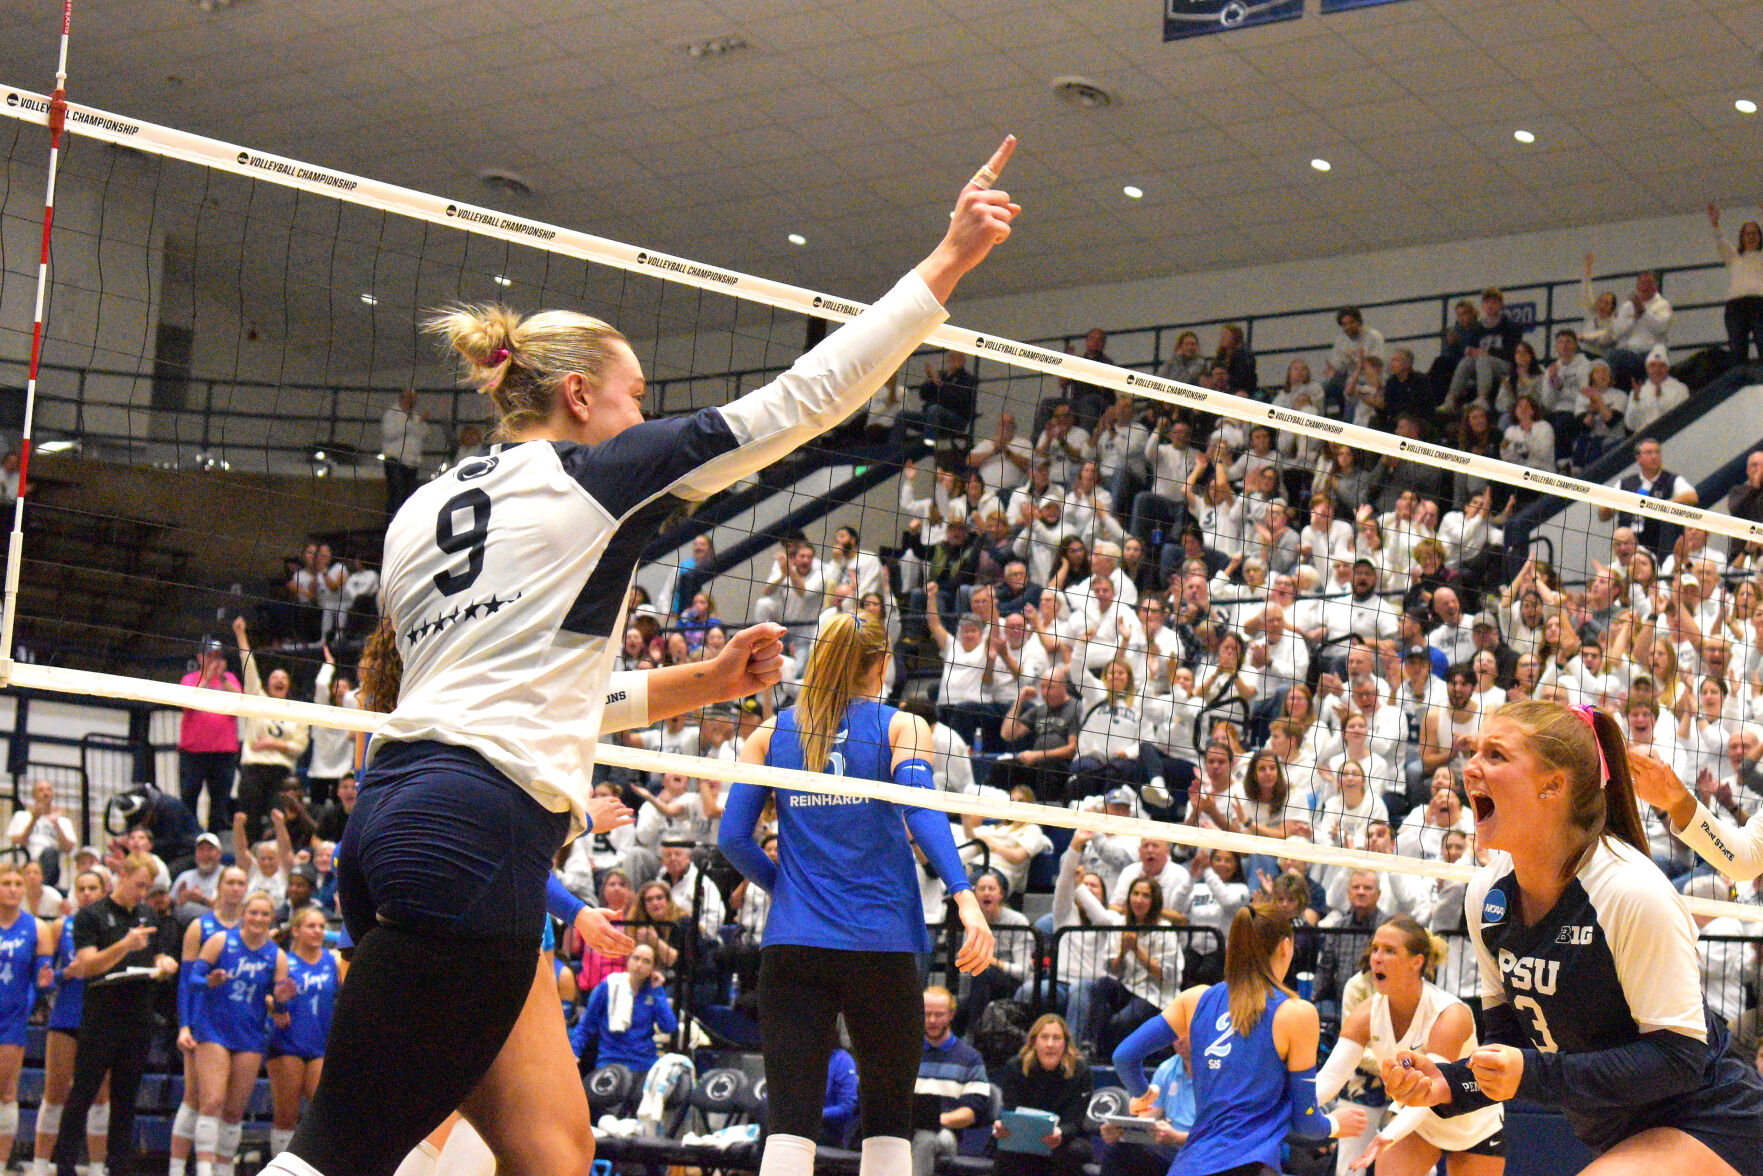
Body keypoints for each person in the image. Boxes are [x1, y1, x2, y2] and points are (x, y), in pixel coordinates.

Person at [266, 141, 1017, 1176]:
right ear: (577, 397)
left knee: (551, 1150)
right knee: (340, 1149)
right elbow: (801, 402)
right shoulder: (588, 476)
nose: (638, 415)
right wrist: (946, 261)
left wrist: (700, 684)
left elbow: (522, 693)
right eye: (631, 396)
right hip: (474, 835)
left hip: (406, 815)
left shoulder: (422, 511)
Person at [1381, 700, 1763, 1176]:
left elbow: (1680, 1059)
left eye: (1495, 755)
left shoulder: (1631, 891)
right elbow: (1510, 1046)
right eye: (1475, 750)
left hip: (1711, 1122)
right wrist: (1451, 1083)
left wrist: (1532, 1073)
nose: (1470, 767)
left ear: (1553, 785)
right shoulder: (1486, 895)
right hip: (1620, 1132)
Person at [719, 611, 994, 1176]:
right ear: (883, 665)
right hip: (882, 945)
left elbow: (732, 839)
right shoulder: (903, 727)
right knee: (889, 1120)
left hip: (794, 947)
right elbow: (920, 807)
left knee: (790, 1123)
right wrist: (963, 894)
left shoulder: (769, 733)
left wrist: (787, 891)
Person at [1111, 903, 1363, 1176]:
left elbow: (1124, 1056)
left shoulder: (1195, 998)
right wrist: (1335, 1124)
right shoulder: (1297, 1013)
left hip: (1188, 1166)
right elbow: (1306, 1123)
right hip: (1247, 1166)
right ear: (1286, 947)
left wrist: (1143, 1093)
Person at [1315, 916, 1503, 1176]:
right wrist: (1286, 1108)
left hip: (1472, 1122)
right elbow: (1329, 1079)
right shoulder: (1365, 1013)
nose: (1377, 958)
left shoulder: (1449, 1014)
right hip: (1419, 1123)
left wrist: (1389, 1134)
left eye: (1389, 951)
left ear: (1417, 962)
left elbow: (1431, 1092)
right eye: (1375, 948)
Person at [56, 855, 180, 1176]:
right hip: (101, 1017)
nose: (142, 892)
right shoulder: (91, 916)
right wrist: (124, 945)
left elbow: (157, 953)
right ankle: (65, 1165)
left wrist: (166, 964)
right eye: (138, 884)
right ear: (121, 875)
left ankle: (118, 1167)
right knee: (83, 1092)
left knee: (126, 1099)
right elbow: (86, 966)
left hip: (138, 1016)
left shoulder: (146, 913)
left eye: (147, 887)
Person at [190, 892, 290, 1176]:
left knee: (234, 1110)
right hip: (214, 1029)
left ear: (271, 919)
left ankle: (224, 1169)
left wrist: (283, 999)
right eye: (254, 912)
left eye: (264, 914)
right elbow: (193, 978)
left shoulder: (276, 955)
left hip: (250, 1033)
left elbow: (280, 1005)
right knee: (212, 1101)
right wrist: (209, 980)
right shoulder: (221, 941)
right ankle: (204, 1169)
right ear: (245, 914)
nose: (258, 919)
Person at [169, 863, 248, 1176]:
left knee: (227, 1105)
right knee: (196, 1096)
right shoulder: (200, 927)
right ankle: (177, 1168)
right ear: (220, 887)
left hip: (238, 1023)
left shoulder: (253, 925)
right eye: (229, 882)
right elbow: (186, 980)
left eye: (241, 882)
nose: (235, 888)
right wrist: (184, 1025)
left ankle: (219, 1167)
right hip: (204, 1022)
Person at [34, 870, 109, 1176]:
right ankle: (40, 1166)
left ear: (104, 891)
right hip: (66, 1016)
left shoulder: (113, 928)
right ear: (75, 893)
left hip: (102, 1019)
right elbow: (45, 982)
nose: (87, 893)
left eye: (93, 888)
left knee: (100, 1097)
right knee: (54, 1093)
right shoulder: (60, 926)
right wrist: (64, 974)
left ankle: (96, 1167)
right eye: (82, 888)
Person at [266, 908, 343, 1160]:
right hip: (288, 1042)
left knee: (324, 1113)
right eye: (311, 926)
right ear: (296, 931)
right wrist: (275, 1005)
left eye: (321, 926)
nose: (318, 931)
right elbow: (264, 995)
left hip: (320, 1043)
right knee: (286, 1115)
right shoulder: (283, 961)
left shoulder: (331, 960)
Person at [991, 1015, 1093, 1176]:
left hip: (1066, 1137)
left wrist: (1060, 1132)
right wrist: (1003, 1127)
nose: (1050, 1044)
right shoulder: (1015, 1067)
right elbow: (1011, 1110)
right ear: (1034, 1042)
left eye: (1056, 1038)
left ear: (1065, 1043)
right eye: (1044, 1037)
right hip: (1023, 1136)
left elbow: (1076, 1121)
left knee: (1071, 1151)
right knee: (1004, 1148)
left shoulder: (1080, 1071)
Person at [0, 865, 53, 1172]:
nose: (11, 888)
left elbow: (43, 978)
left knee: (6, 1091)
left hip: (13, 1016)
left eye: (16, 883)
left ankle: (2, 1162)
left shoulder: (36, 928)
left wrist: (46, 980)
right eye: (5, 883)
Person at [909, 987, 991, 1176]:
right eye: (926, 1014)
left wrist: (934, 1121)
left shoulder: (971, 1059)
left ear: (951, 1015)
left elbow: (969, 1114)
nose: (931, 1021)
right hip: (906, 1127)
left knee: (925, 1137)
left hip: (946, 1134)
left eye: (938, 1015)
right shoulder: (907, 1053)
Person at [568, 942, 674, 1078]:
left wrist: (658, 992)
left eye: (646, 961)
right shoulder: (609, 986)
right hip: (610, 1062)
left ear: (653, 969)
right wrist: (574, 1053)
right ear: (628, 960)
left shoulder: (654, 993)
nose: (639, 965)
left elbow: (668, 1027)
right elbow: (586, 1025)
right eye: (636, 958)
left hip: (644, 1065)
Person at [177, 641, 241, 833]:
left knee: (220, 801)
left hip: (224, 752)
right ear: (200, 658)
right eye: (210, 655)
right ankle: (191, 837)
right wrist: (208, 678)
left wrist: (221, 679)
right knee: (188, 797)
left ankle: (215, 839)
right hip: (193, 752)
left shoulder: (230, 679)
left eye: (219, 656)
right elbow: (186, 702)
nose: (215, 660)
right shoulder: (190, 679)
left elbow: (241, 700)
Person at [1708, 203, 1763, 363]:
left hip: (1760, 305)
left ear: (1760, 236)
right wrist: (1714, 223)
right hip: (1736, 307)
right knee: (1737, 353)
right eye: (1747, 234)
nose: (1751, 237)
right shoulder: (1734, 258)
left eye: (1755, 233)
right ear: (1742, 238)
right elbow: (1720, 241)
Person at [8, 780, 77, 888]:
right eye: (41, 790)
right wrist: (34, 819)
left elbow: (68, 848)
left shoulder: (63, 821)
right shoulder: (21, 816)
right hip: (27, 863)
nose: (45, 793)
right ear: (33, 795)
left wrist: (56, 824)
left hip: (51, 865)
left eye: (49, 789)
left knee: (50, 851)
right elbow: (19, 842)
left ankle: (43, 887)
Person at [381, 388, 429, 518]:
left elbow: (423, 434)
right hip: (395, 460)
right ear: (401, 398)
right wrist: (410, 423)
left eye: (412, 398)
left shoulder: (415, 415)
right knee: (397, 495)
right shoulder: (392, 414)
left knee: (408, 497)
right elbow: (389, 433)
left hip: (411, 462)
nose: (410, 401)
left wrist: (419, 422)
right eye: (408, 397)